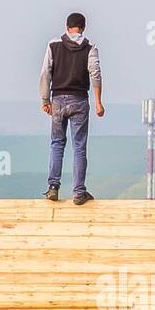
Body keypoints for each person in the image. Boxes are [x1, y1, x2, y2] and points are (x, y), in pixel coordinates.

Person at [39, 12, 104, 203]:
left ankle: (53, 187)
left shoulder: (53, 45)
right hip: (79, 100)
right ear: (83, 28)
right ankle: (78, 192)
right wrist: (99, 102)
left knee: (57, 143)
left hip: (58, 100)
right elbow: (95, 74)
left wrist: (45, 100)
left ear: (67, 27)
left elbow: (45, 73)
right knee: (79, 146)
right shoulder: (90, 47)